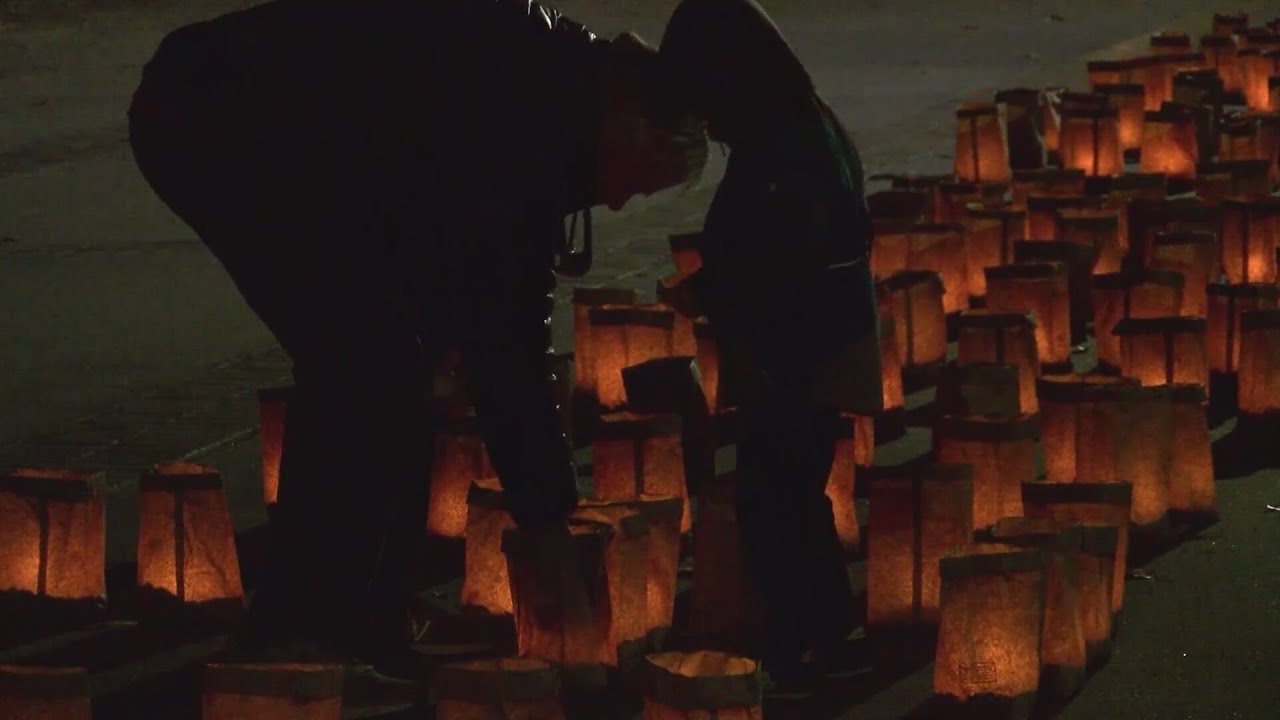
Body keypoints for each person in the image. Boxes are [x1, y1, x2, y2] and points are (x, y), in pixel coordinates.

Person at [127, 0, 707, 675]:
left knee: (397, 359)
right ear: (624, 123)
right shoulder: (526, 107)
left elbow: (497, 292)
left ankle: (368, 610)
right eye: (631, 184)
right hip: (217, 120)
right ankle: (294, 626)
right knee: (359, 359)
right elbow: (508, 337)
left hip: (313, 153)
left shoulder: (553, 96)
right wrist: (548, 525)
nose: (615, 206)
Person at [659, 0, 882, 694]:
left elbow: (788, 258)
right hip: (805, 341)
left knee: (777, 497)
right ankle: (819, 639)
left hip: (797, 351)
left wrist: (715, 293)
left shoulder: (784, 145)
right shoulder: (795, 125)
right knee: (789, 493)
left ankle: (808, 647)